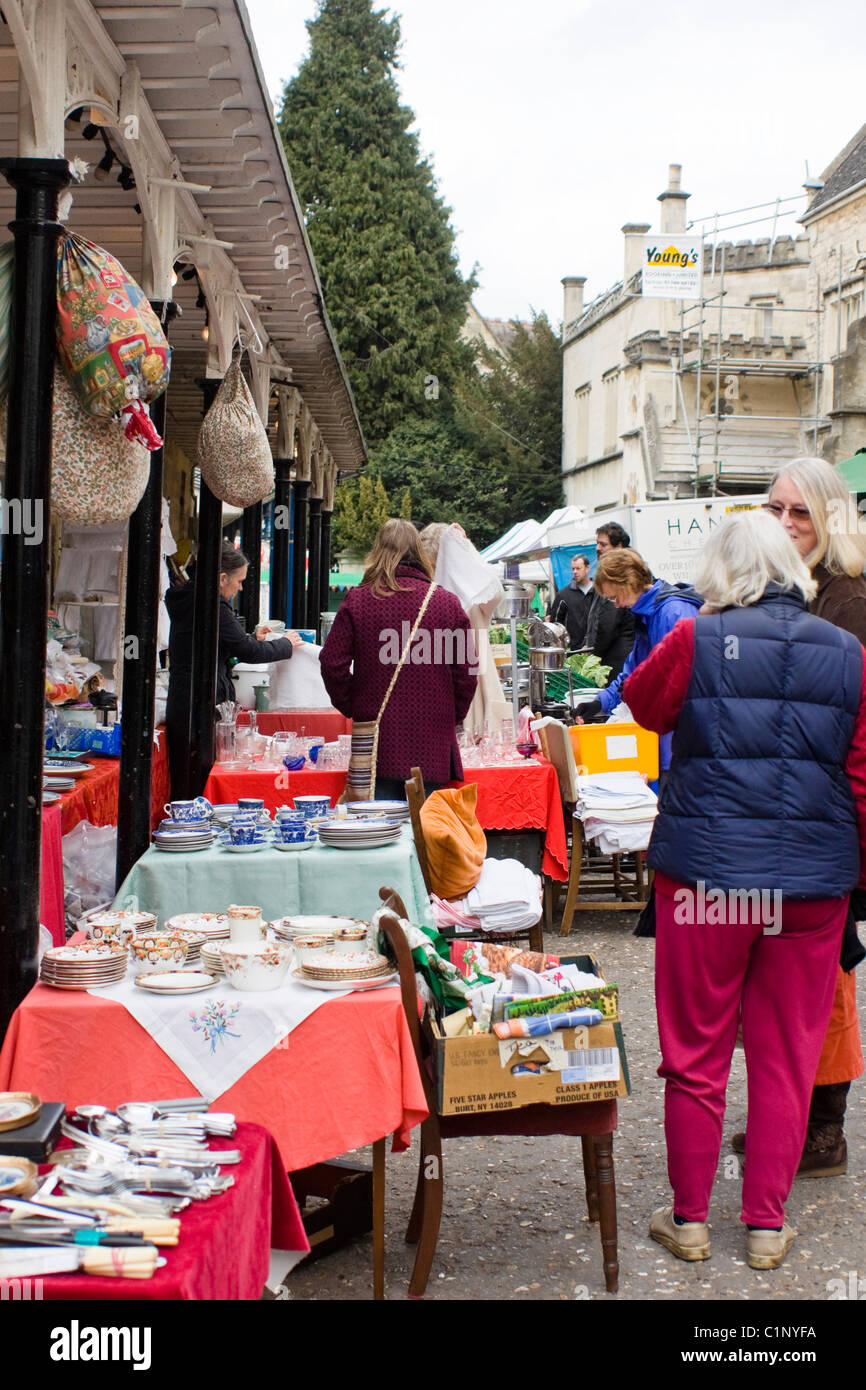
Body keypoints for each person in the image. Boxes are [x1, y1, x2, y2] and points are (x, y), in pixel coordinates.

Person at [623, 510, 866, 1270]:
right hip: (810, 884)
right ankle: (765, 1224)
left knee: (694, 1052)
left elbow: (644, 706)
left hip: (709, 881)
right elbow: (860, 777)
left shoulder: (697, 638)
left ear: (720, 574)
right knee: (788, 1054)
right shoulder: (851, 653)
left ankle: (690, 1219)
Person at [743, 456, 866, 1178]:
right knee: (787, 983)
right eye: (777, 510)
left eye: (802, 513)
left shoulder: (848, 599)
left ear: (831, 518)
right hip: (784, 819)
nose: (788, 525)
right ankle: (789, 1125)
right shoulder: (788, 589)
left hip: (830, 824)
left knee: (832, 984)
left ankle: (824, 1130)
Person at [319, 518, 478, 798]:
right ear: (419, 552)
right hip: (432, 749)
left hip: (377, 746)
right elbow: (466, 675)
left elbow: (332, 663)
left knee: (374, 834)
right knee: (424, 836)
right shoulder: (447, 604)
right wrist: (449, 717)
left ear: (378, 551)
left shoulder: (358, 600)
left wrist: (356, 705)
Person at [164, 544, 301, 796]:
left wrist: (250, 637)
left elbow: (221, 642)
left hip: (187, 698)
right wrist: (285, 644)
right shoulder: (211, 605)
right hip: (202, 701)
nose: (240, 588)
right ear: (222, 578)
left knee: (188, 775)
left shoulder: (190, 600)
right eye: (239, 581)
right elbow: (248, 651)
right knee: (198, 776)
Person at [576, 548, 703, 773]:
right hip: (664, 741)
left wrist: (643, 688)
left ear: (628, 582)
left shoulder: (673, 613)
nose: (615, 605)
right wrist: (601, 702)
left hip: (683, 745)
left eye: (615, 597)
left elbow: (690, 682)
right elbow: (632, 672)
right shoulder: (647, 615)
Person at [419, 522, 510, 739]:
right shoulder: (426, 594)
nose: (434, 570)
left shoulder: (473, 593)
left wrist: (464, 546)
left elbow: (496, 590)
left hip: (473, 685)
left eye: (436, 563)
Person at [587, 522, 636, 678]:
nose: (597, 548)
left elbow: (609, 624)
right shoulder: (614, 571)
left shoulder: (620, 573)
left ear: (618, 546)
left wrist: (593, 655)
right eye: (597, 543)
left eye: (603, 544)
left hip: (617, 662)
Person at [548, 553, 594, 649]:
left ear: (587, 568)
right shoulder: (563, 595)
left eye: (578, 568)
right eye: (573, 569)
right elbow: (555, 624)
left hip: (596, 648)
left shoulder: (599, 592)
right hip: (573, 650)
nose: (575, 572)